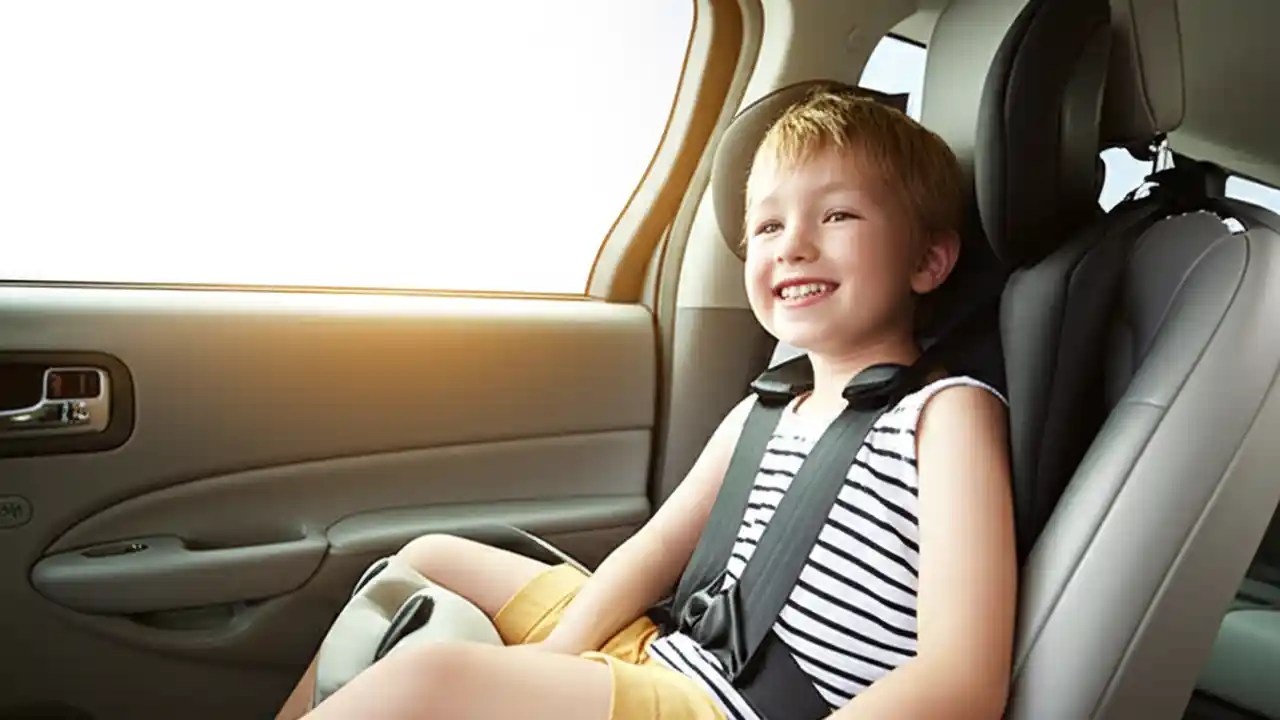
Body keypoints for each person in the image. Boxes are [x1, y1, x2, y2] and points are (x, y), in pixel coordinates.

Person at [277, 85, 1017, 720]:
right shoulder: (765, 411)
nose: (791, 246)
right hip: (674, 654)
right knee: (430, 558)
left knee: (424, 679)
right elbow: (655, 552)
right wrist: (562, 655)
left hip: (737, 707)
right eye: (767, 225)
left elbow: (962, 678)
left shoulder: (945, 416)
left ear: (927, 261)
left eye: (837, 217)